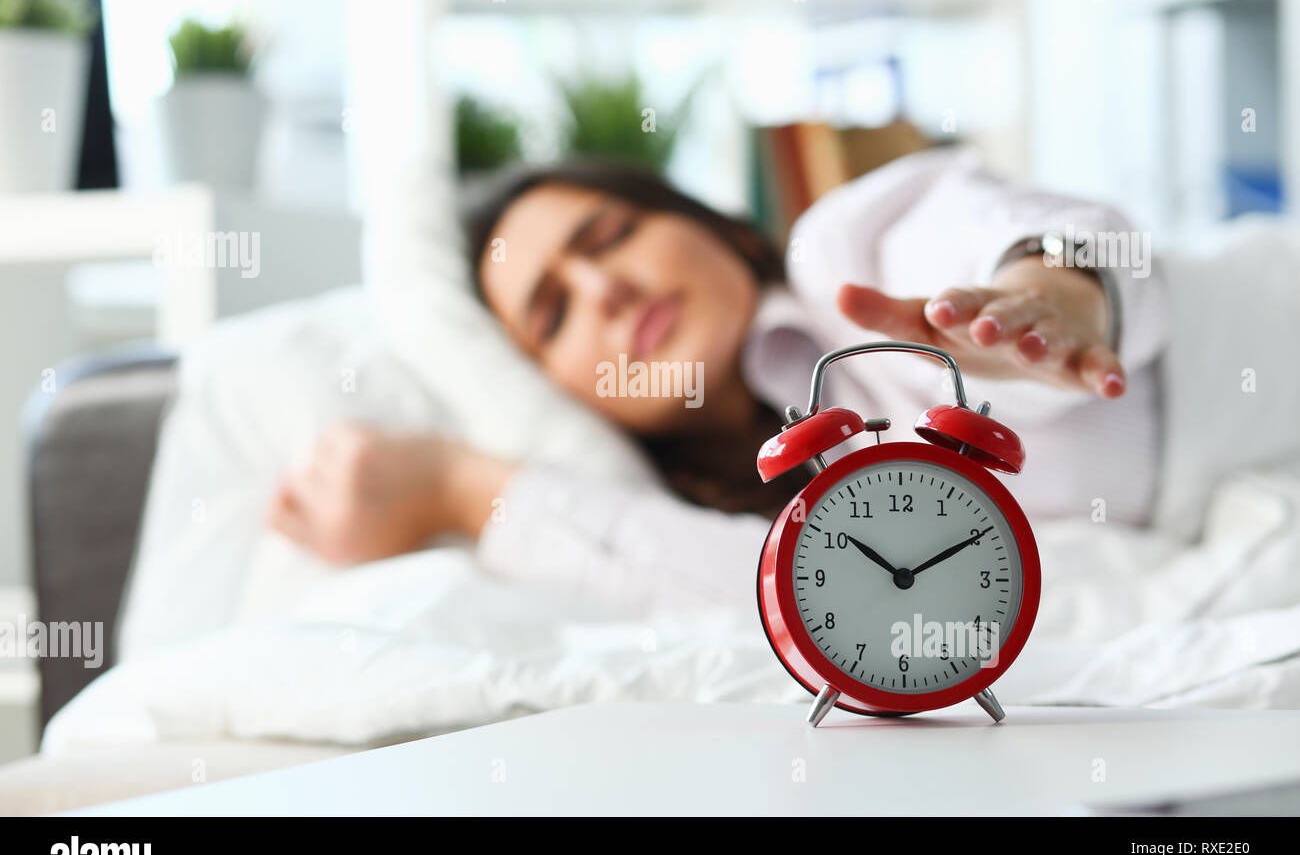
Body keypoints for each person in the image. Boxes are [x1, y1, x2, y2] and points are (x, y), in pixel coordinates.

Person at [266, 148, 1168, 611]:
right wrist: (459, 491)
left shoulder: (850, 259)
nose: (607, 289)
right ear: (556, 391)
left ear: (721, 228)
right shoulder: (705, 524)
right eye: (555, 314)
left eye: (610, 236)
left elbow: (1029, 236)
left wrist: (1047, 294)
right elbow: (794, 605)